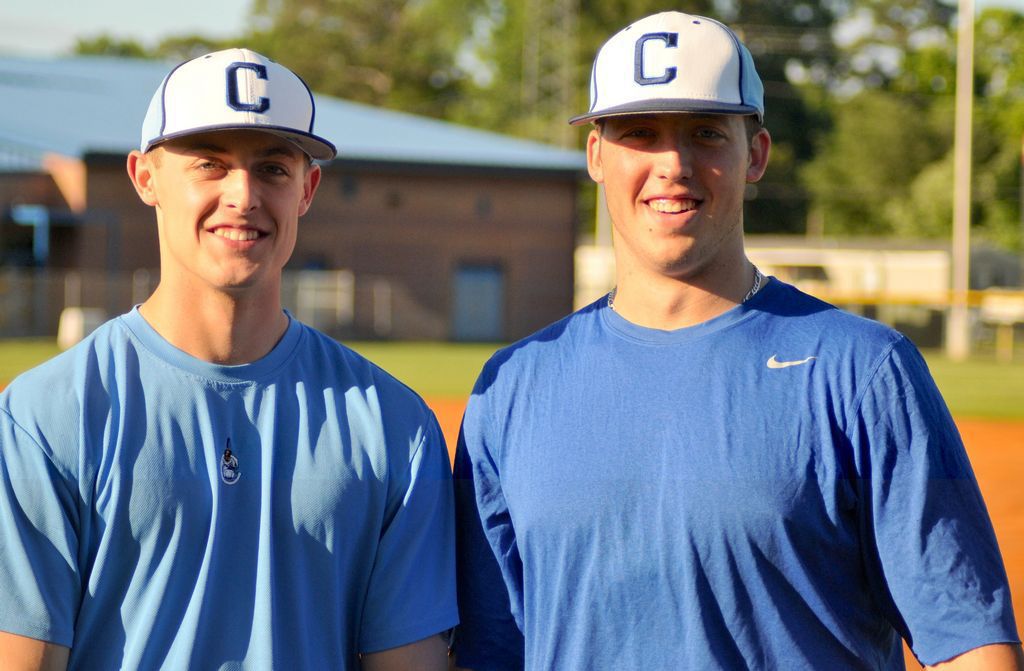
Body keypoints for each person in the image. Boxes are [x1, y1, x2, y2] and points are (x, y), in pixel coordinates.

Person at [453, 11, 1022, 670]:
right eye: (640, 133)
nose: (674, 165)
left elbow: (969, 642)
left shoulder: (862, 370)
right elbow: (488, 653)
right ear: (596, 156)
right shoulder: (511, 390)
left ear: (754, 155)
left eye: (706, 133)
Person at [0, 48, 456, 670]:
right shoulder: (44, 416)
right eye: (209, 164)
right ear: (145, 178)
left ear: (307, 190)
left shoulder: (394, 424)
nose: (242, 195)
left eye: (272, 168)